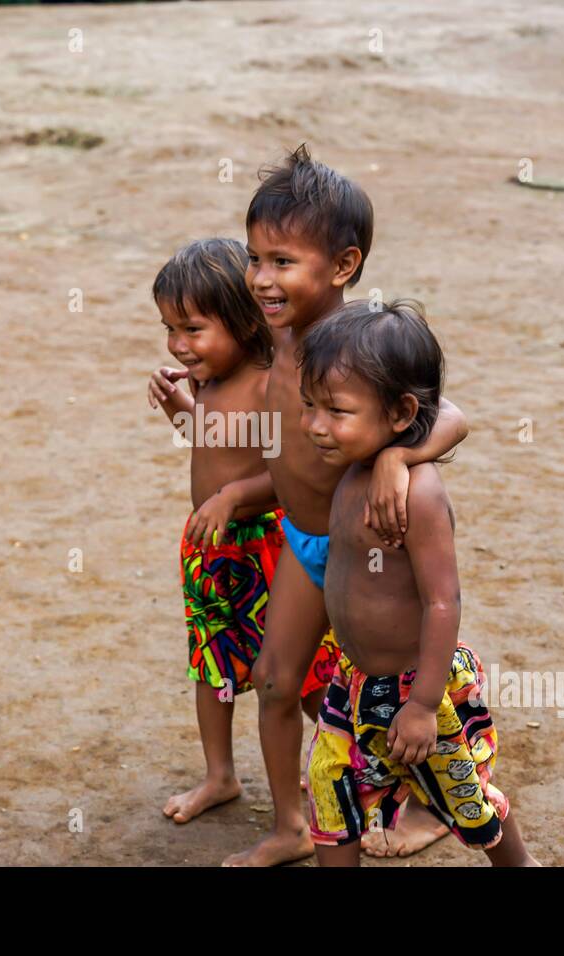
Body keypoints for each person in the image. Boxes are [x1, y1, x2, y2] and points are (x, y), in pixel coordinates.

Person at [220, 146, 471, 866]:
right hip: (305, 538)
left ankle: (433, 804)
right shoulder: (270, 330)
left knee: (397, 691)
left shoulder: (357, 343)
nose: (262, 279)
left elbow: (452, 414)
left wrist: (399, 454)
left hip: (366, 553)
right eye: (255, 258)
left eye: (282, 262)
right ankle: (289, 825)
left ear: (342, 266)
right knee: (275, 681)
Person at [299, 298, 538, 866]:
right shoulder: (357, 468)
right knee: (332, 801)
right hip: (354, 685)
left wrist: (426, 703)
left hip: (418, 690)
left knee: (468, 802)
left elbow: (441, 599)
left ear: (402, 412)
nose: (314, 425)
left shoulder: (417, 492)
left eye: (335, 411)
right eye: (309, 406)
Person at [148, 237, 338, 825]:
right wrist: (181, 406)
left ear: (243, 320)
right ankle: (220, 775)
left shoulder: (268, 384)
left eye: (193, 330)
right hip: (209, 549)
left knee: (301, 676)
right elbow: (215, 443)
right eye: (169, 329)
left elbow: (283, 475)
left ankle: (355, 762)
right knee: (213, 666)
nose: (179, 345)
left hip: (266, 546)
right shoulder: (209, 381)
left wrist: (233, 496)